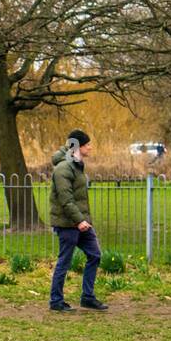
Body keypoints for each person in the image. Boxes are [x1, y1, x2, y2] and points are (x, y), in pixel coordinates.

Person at [48, 129, 105, 312]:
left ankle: (87, 297)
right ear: (79, 146)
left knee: (95, 255)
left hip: (81, 223)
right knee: (64, 261)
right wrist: (79, 220)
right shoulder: (64, 168)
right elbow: (66, 199)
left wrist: (83, 221)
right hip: (68, 224)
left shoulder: (77, 164)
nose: (91, 147)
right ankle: (56, 301)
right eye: (88, 144)